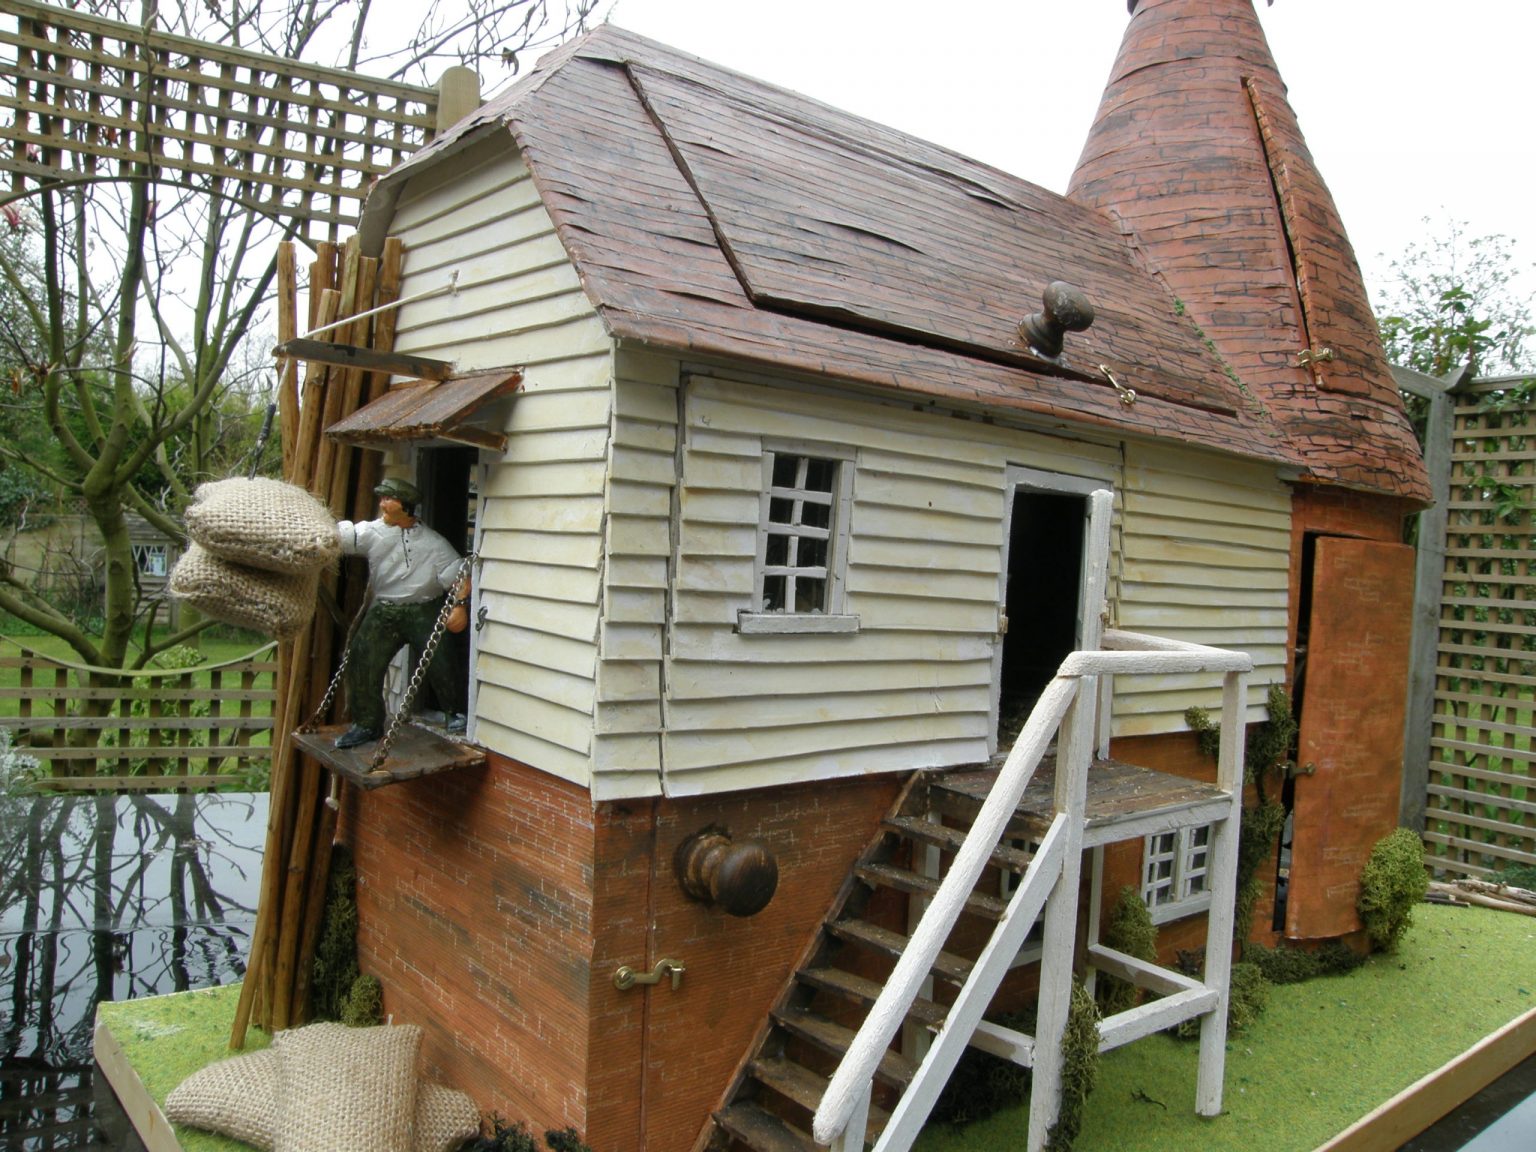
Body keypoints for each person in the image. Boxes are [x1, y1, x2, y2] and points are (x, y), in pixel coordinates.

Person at [334, 477, 470, 750]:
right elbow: (341, 537)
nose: (382, 503)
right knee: (362, 659)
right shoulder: (372, 532)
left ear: (405, 505)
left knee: (441, 659)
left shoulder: (433, 543)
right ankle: (367, 724)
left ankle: (454, 712)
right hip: (385, 610)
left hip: (425, 608)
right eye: (382, 498)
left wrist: (459, 606)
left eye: (388, 498)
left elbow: (457, 575)